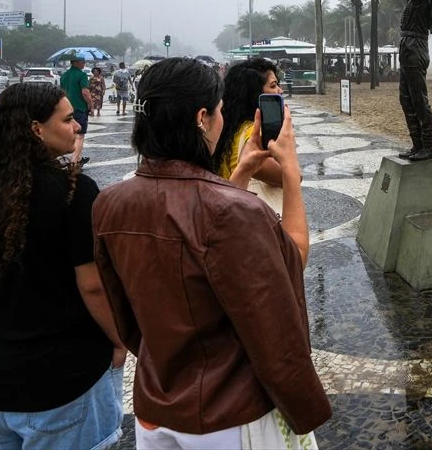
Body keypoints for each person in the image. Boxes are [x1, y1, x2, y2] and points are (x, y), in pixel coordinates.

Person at [91, 58, 330, 448]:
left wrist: (243, 173)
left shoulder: (110, 203)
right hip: (229, 417)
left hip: (157, 405)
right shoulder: (236, 212)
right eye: (219, 111)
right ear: (202, 117)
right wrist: (290, 171)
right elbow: (292, 263)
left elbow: (125, 314)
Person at [0, 82, 125, 450]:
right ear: (36, 129)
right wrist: (120, 340)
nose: (78, 127)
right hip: (61, 383)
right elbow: (91, 285)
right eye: (69, 119)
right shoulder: (74, 191)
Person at [213, 58, 307, 235]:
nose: (280, 90)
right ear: (255, 94)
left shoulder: (230, 128)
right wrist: (289, 147)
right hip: (253, 229)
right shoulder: (254, 136)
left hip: (231, 217)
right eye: (273, 86)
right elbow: (290, 177)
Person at [380, 0, 432, 160]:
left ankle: (427, 146)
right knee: (406, 99)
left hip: (415, 48)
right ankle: (417, 144)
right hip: (409, 48)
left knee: (419, 100)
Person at [59, 54, 92, 166]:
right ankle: (74, 160)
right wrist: (91, 106)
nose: (84, 63)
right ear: (76, 62)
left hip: (66, 109)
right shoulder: (82, 75)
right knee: (80, 135)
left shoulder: (64, 75)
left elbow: (61, 92)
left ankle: (77, 158)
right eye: (83, 61)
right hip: (79, 108)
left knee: (69, 133)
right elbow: (85, 92)